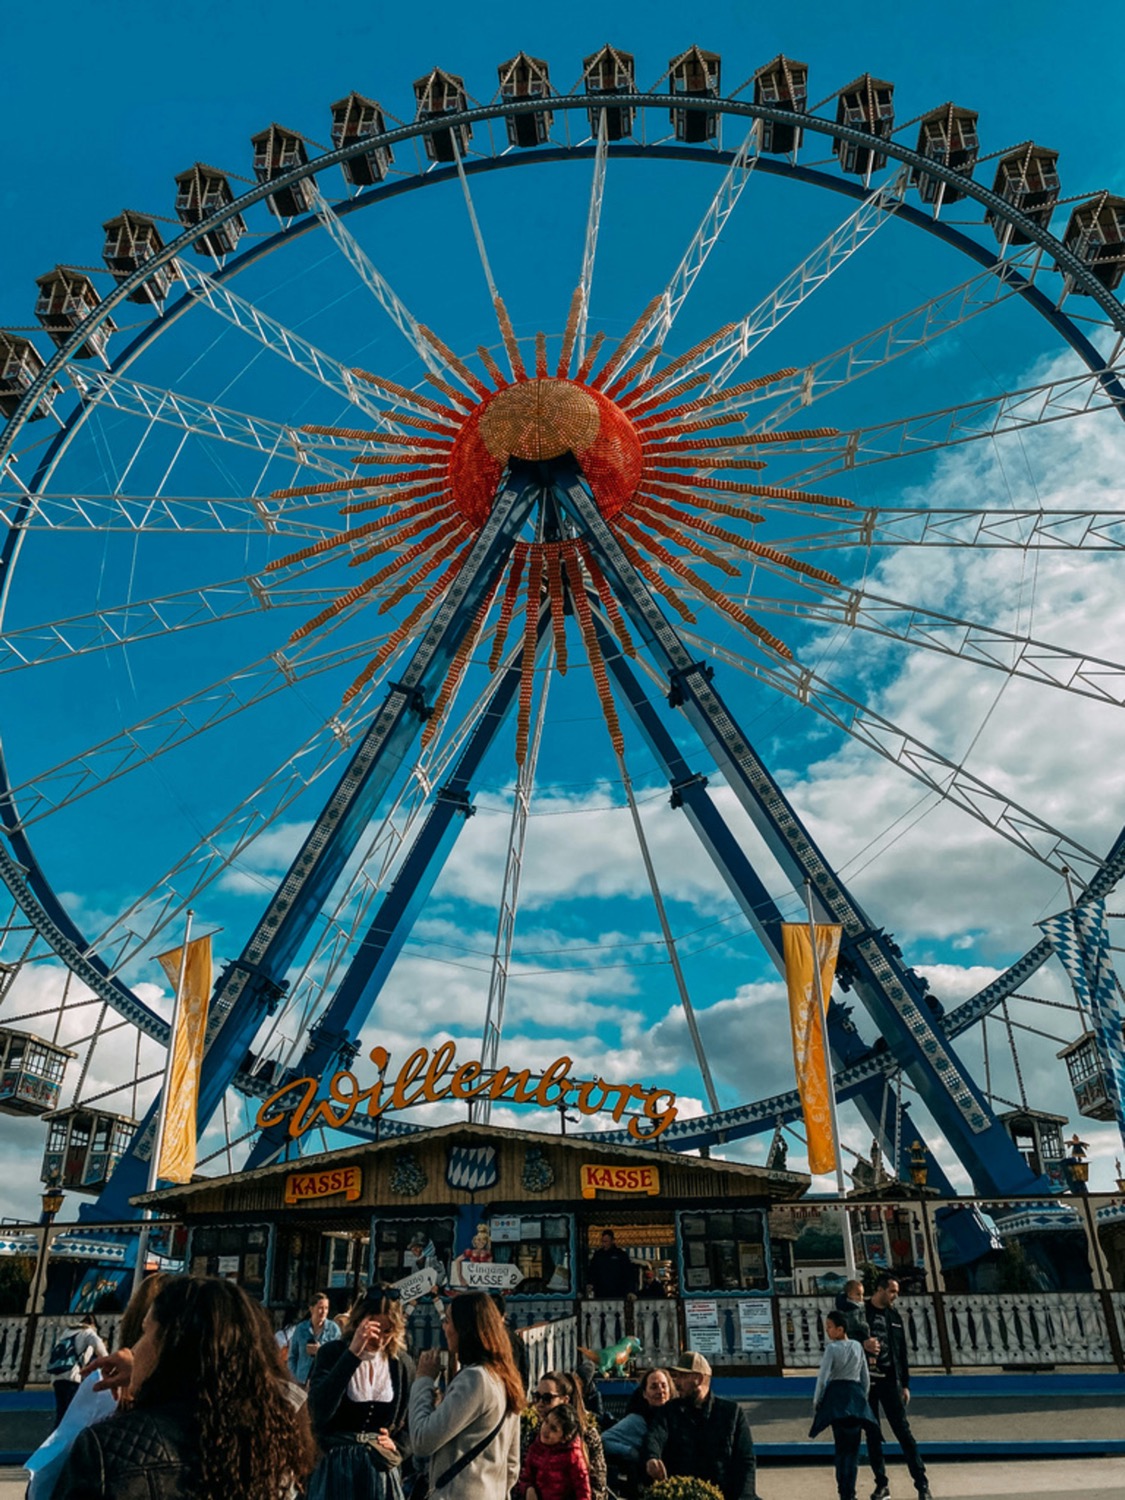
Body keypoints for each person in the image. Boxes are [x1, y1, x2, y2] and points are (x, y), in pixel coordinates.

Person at [52, 1274, 315, 1500]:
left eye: (146, 1332)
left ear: (172, 1345)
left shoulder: (105, 1448)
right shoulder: (266, 1448)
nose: (135, 1349)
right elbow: (284, 1396)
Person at [27, 1275, 170, 1500]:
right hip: (75, 1376)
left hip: (65, 1377)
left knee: (65, 1422)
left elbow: (41, 1485)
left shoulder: (104, 1395)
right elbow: (103, 1353)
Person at [409, 1290, 521, 1498]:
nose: (444, 1328)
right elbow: (512, 1463)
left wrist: (423, 1379)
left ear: (465, 1328)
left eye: (448, 1321)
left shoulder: (475, 1379)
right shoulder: (505, 1376)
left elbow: (422, 1440)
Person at [307, 1289, 411, 1499]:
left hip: (379, 1469)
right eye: (374, 1328)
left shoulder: (401, 1364)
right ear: (359, 1321)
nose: (380, 1338)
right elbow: (317, 1412)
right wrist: (352, 1354)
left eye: (387, 1331)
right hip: (337, 1467)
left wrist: (399, 1447)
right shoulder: (332, 1353)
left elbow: (408, 1421)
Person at [642, 1351, 759, 1500]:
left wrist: (744, 1497)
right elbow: (654, 1436)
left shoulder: (731, 1413)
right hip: (682, 1494)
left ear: (698, 1379)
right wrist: (652, 1458)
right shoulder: (669, 1411)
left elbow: (746, 1461)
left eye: (683, 1376)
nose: (676, 1383)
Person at [864, 1274, 931, 1500]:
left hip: (890, 1379)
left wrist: (905, 1384)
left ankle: (922, 1484)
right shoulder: (862, 1313)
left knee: (903, 1431)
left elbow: (901, 1352)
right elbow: (847, 1339)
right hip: (866, 1381)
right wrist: (862, 1344)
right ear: (880, 1289)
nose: (895, 1296)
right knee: (872, 1433)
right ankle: (881, 1483)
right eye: (892, 1291)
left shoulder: (894, 1317)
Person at [810, 1310, 880, 1500]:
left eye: (830, 1327)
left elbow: (823, 1378)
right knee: (853, 1450)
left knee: (841, 1450)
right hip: (855, 1398)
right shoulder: (857, 1346)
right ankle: (852, 1491)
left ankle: (844, 1492)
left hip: (837, 1399)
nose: (828, 1331)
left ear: (840, 1329)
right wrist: (862, 1398)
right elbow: (865, 1377)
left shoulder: (832, 1349)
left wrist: (817, 1401)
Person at [529, 1371, 607, 1500]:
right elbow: (523, 1474)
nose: (540, 1403)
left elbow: (598, 1487)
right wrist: (528, 1489)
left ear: (565, 1400)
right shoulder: (535, 1434)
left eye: (547, 1398)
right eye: (537, 1396)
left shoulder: (587, 1435)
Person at [517, 1401, 592, 1500]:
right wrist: (528, 1489)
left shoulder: (573, 1456)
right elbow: (525, 1477)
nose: (546, 1429)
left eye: (553, 1429)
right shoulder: (536, 1447)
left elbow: (583, 1492)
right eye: (546, 1421)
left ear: (564, 1438)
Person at [49, 1315, 108, 1425]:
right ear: (93, 1325)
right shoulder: (89, 1332)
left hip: (57, 1376)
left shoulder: (66, 1332)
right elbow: (103, 1353)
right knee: (73, 1413)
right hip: (72, 1377)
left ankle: (56, 1439)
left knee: (61, 1414)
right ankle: (71, 1440)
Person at [289, 1289, 342, 1386]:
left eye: (326, 1308)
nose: (323, 1312)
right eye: (320, 1308)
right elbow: (292, 1356)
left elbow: (338, 1357)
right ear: (311, 1309)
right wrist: (294, 1378)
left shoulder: (334, 1329)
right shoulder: (301, 1329)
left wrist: (321, 1351)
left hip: (322, 1381)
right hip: (302, 1380)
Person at [586, 1231, 637, 1300]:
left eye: (606, 1241)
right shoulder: (598, 1255)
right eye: (603, 1241)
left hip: (619, 1293)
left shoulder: (621, 1255)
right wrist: (590, 1283)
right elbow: (592, 1272)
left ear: (612, 1241)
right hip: (601, 1293)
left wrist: (630, 1291)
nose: (604, 1244)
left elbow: (629, 1274)